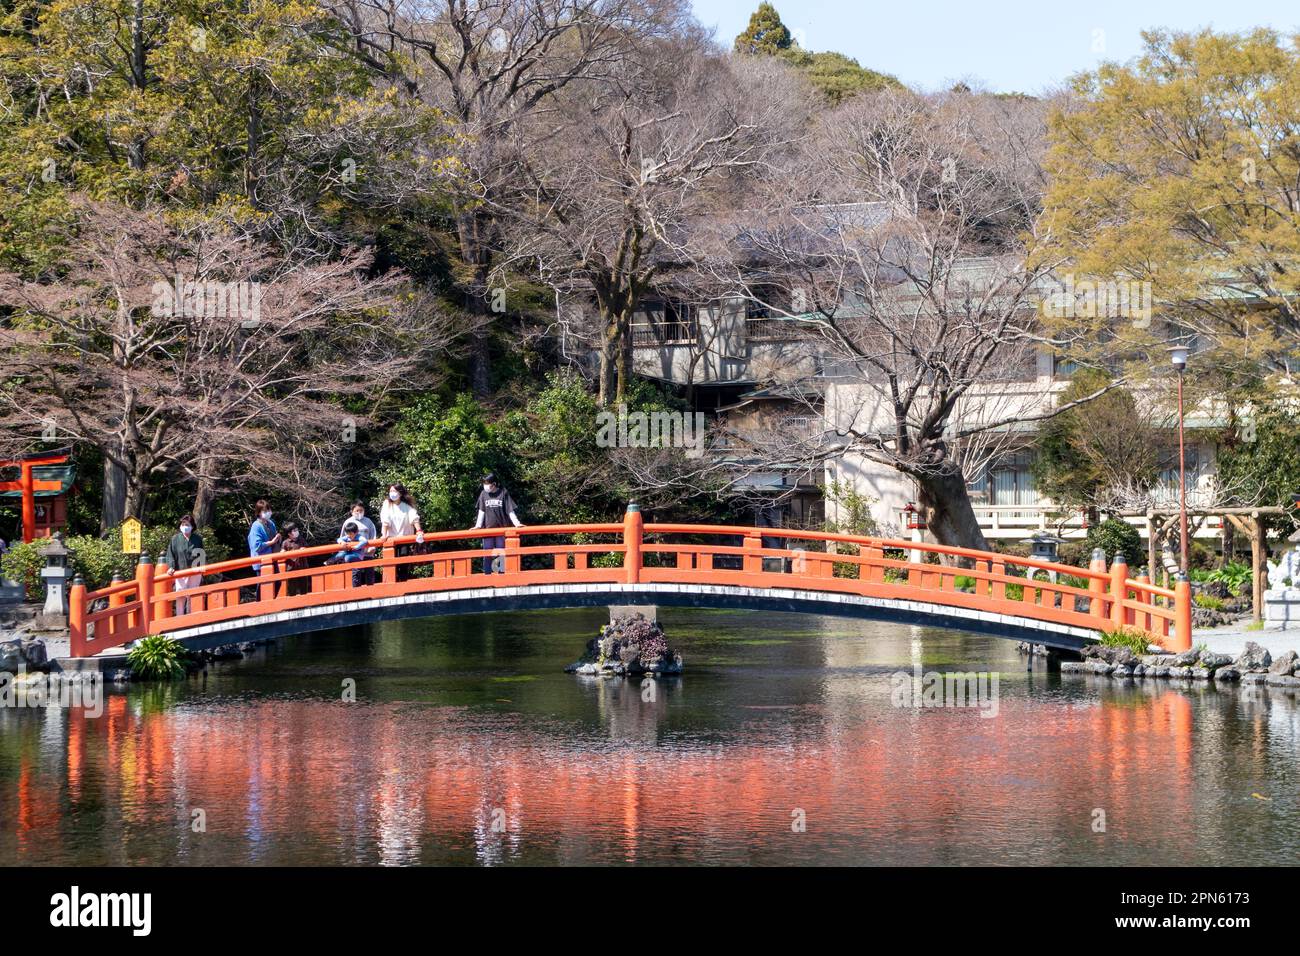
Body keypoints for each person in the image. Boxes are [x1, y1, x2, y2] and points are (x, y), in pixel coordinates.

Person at [471, 472, 523, 574]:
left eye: (487, 483)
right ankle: (487, 574)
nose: (485, 486)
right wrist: (477, 526)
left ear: (494, 484)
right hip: (488, 530)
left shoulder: (503, 493)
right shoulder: (483, 494)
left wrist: (517, 523)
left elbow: (510, 510)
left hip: (501, 529)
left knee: (501, 552)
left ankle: (501, 573)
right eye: (484, 483)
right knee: (487, 553)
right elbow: (481, 511)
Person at [379, 483, 424, 581]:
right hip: (390, 538)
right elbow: (385, 520)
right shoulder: (387, 503)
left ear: (400, 493)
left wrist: (419, 530)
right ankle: (393, 583)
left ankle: (403, 582)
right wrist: (384, 534)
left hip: (404, 538)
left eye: (394, 491)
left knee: (403, 561)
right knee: (392, 562)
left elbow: (414, 518)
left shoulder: (407, 506)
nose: (392, 493)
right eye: (391, 491)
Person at [164, 515, 204, 615]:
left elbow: (201, 553)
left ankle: (193, 617)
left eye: (187, 524)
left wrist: (202, 567)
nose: (185, 526)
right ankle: (180, 618)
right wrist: (171, 566)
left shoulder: (197, 539)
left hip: (195, 571)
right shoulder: (175, 539)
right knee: (180, 596)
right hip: (180, 571)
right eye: (183, 524)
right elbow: (171, 554)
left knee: (193, 595)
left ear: (192, 526)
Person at [327, 519, 371, 588]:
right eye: (347, 533)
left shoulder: (359, 537)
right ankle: (330, 561)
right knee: (341, 554)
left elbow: (365, 541)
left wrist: (357, 546)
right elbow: (339, 539)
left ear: (356, 532)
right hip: (349, 553)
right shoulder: (347, 537)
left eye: (351, 534)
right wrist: (342, 542)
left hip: (357, 555)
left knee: (347, 558)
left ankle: (342, 561)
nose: (349, 535)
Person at [247, 499, 280, 573]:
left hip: (273, 558)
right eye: (265, 511)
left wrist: (278, 537)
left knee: (277, 583)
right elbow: (257, 546)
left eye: (269, 510)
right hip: (261, 562)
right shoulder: (256, 526)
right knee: (264, 584)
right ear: (259, 513)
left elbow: (274, 537)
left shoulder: (271, 523)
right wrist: (271, 542)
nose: (268, 513)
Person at [278, 521, 310, 596]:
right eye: (294, 531)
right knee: (291, 588)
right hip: (291, 568)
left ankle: (305, 602)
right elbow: (282, 551)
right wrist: (282, 552)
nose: (296, 532)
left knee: (304, 587)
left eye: (297, 530)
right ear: (289, 534)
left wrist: (304, 549)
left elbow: (307, 548)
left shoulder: (301, 540)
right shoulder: (285, 542)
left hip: (302, 566)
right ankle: (292, 603)